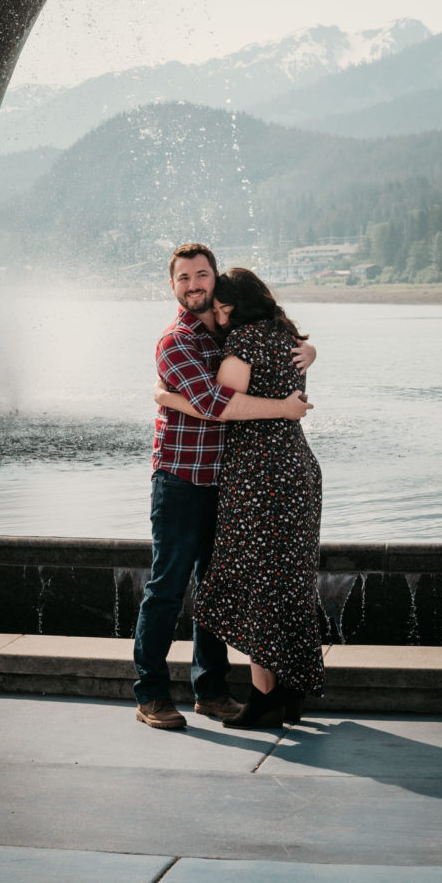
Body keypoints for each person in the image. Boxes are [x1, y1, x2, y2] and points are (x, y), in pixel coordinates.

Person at [132, 243, 315, 731]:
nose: (194, 284)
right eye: (183, 278)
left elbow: (275, 355)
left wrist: (310, 351)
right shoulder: (178, 341)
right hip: (182, 478)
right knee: (167, 587)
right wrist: (284, 409)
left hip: (231, 484)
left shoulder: (230, 333)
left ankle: (209, 690)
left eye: (201, 275)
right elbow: (217, 406)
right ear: (172, 286)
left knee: (216, 590)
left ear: (215, 280)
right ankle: (151, 694)